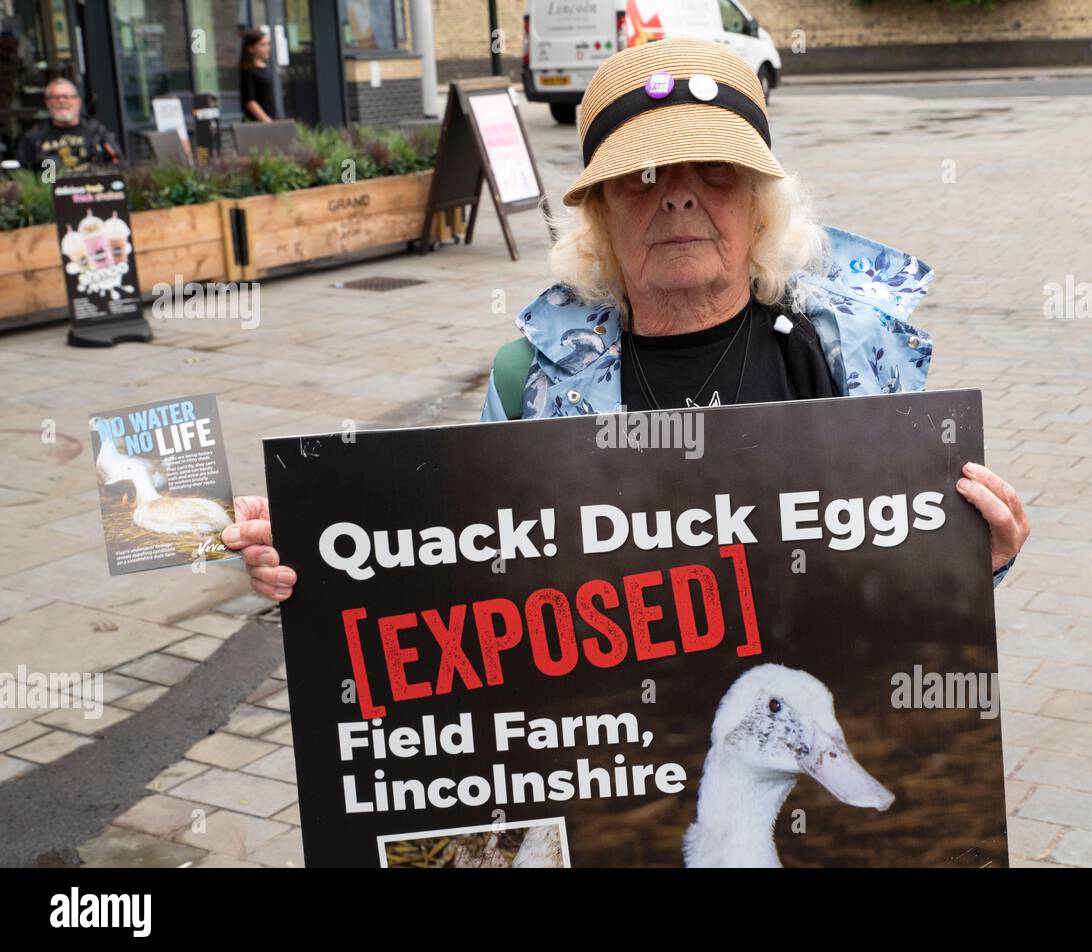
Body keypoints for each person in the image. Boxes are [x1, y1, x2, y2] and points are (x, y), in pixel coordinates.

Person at [223, 37, 1028, 603]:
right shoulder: (531, 383)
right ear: (601, 216)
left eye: (715, 171)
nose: (678, 195)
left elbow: (915, 594)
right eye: (641, 174)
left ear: (759, 207)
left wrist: (979, 559)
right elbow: (459, 576)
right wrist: (321, 558)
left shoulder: (846, 355)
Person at [15, 78, 120, 173]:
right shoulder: (34, 137)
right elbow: (22, 175)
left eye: (66, 96)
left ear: (78, 102)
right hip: (50, 191)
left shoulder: (97, 132)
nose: (61, 101)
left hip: (93, 189)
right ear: (47, 103)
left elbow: (119, 164)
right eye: (55, 97)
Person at [239, 30, 276, 123]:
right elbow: (250, 101)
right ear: (251, 48)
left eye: (268, 44)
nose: (268, 48)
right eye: (263, 45)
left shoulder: (265, 69)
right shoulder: (248, 71)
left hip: (270, 120)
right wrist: (267, 121)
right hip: (258, 124)